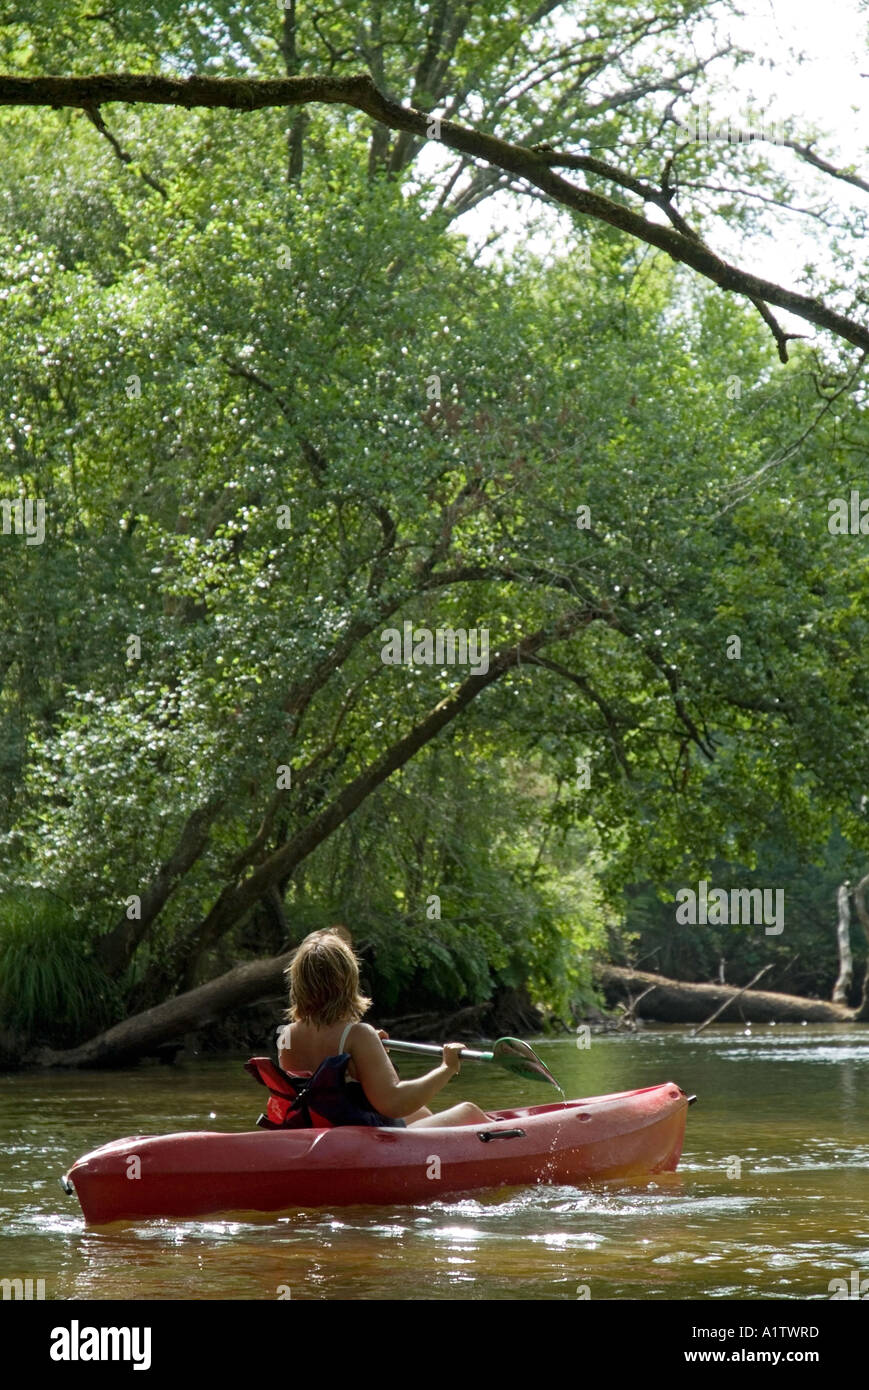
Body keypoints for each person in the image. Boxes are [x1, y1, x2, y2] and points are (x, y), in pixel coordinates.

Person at [275, 927, 493, 1128]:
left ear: (298, 983)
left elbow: (328, 1091)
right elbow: (395, 1103)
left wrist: (365, 1057)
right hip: (364, 1142)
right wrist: (447, 1068)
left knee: (422, 1114)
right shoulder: (358, 1036)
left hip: (328, 1132)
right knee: (468, 1111)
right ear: (348, 982)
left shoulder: (287, 1037)